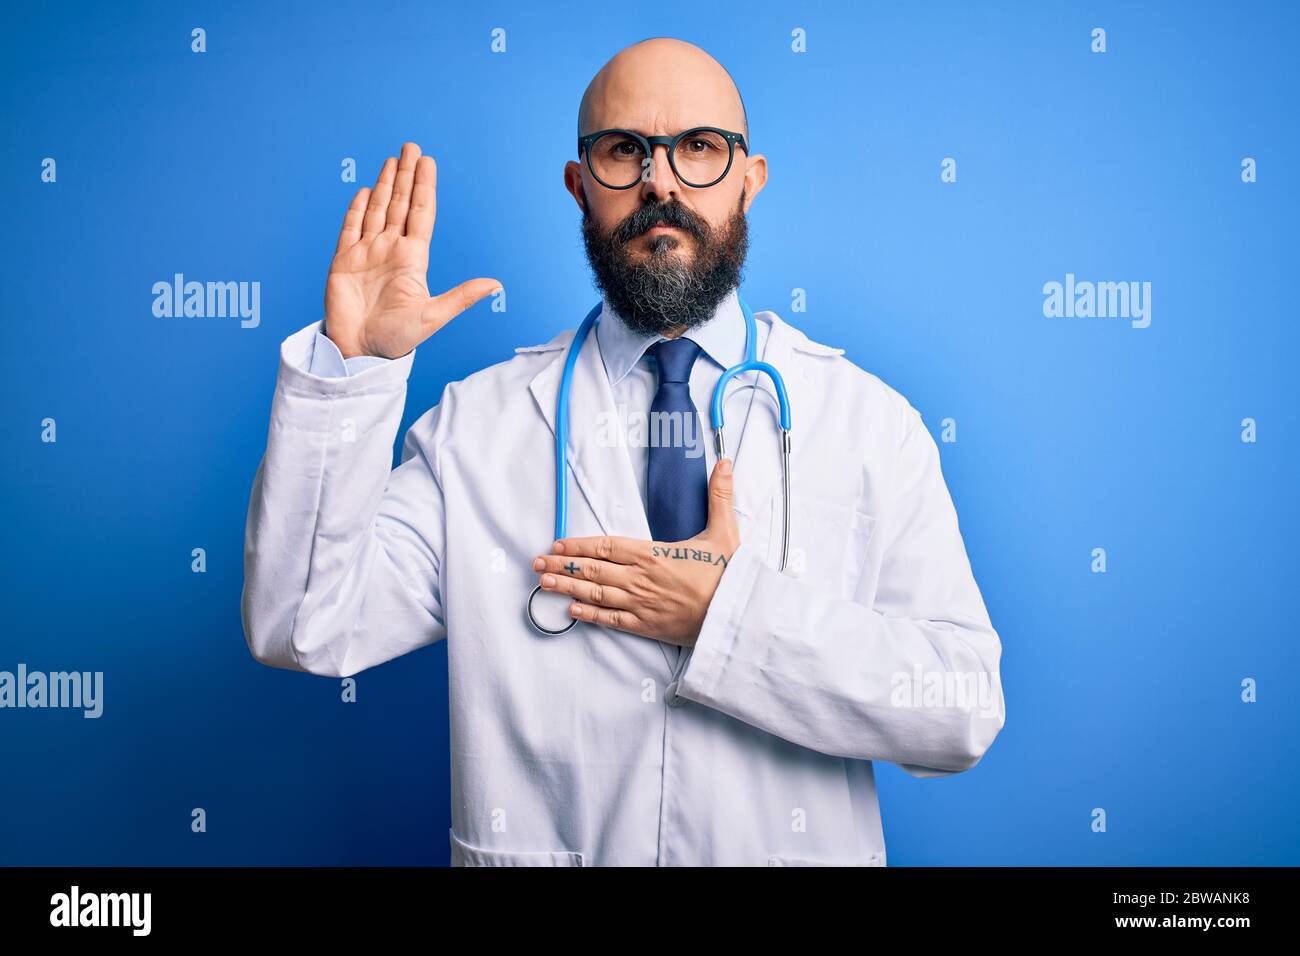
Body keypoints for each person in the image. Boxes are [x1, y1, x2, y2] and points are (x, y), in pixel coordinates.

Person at [241, 37, 1005, 866]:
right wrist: (356, 369)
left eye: (700, 149)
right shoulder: (480, 426)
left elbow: (961, 709)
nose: (662, 182)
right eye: (624, 151)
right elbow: (302, 624)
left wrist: (728, 617)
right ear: (580, 187)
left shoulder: (865, 421)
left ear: (751, 179)